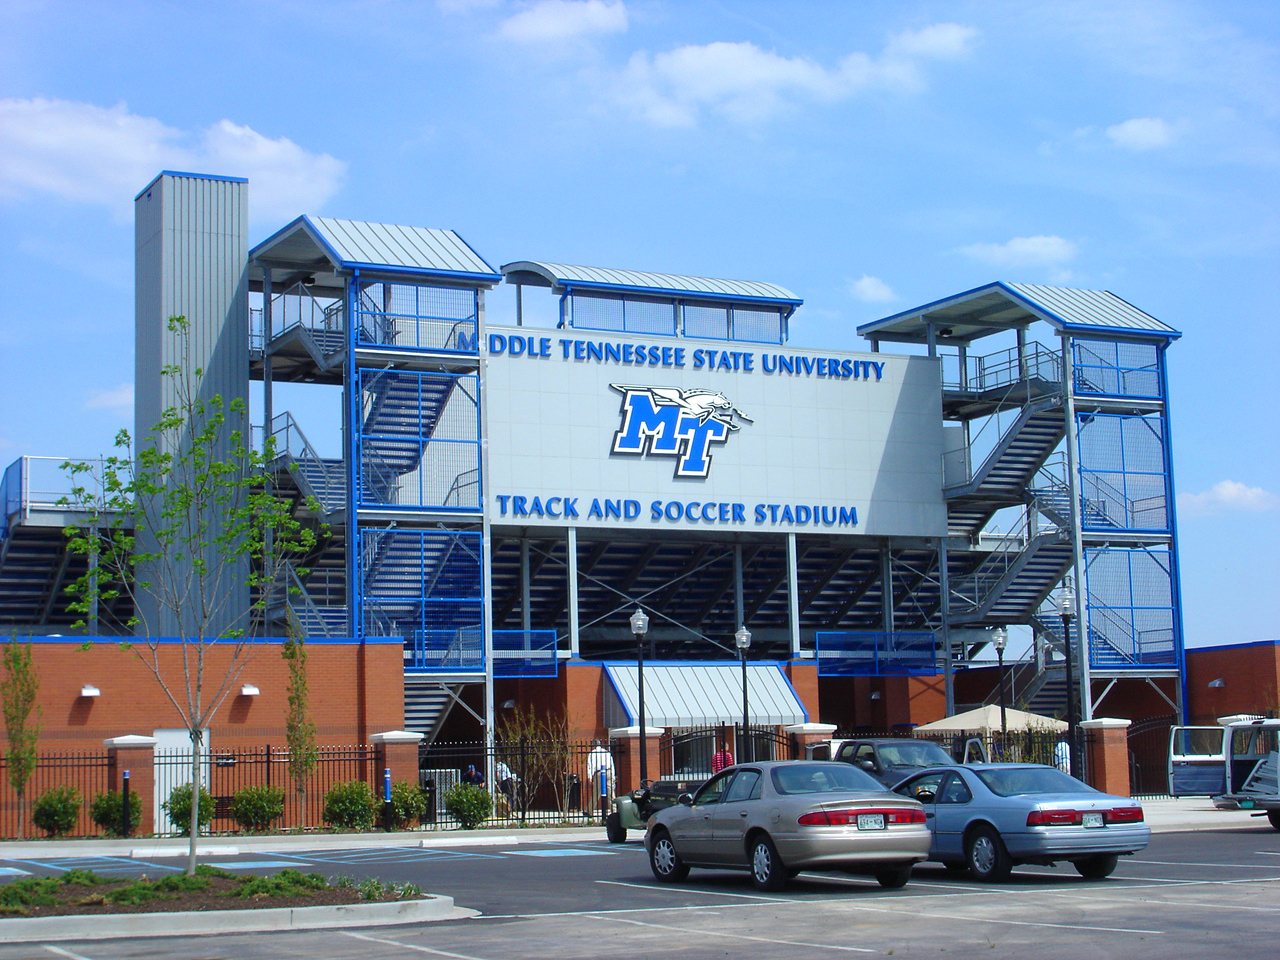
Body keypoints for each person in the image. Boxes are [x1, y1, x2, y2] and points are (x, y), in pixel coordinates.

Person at [587, 740, 616, 811]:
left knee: (596, 792)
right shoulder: (606, 752)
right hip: (609, 771)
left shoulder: (592, 753)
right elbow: (611, 764)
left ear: (593, 745)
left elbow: (590, 766)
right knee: (610, 792)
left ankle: (589, 810)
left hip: (599, 772)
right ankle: (614, 810)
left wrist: (590, 776)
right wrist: (613, 775)